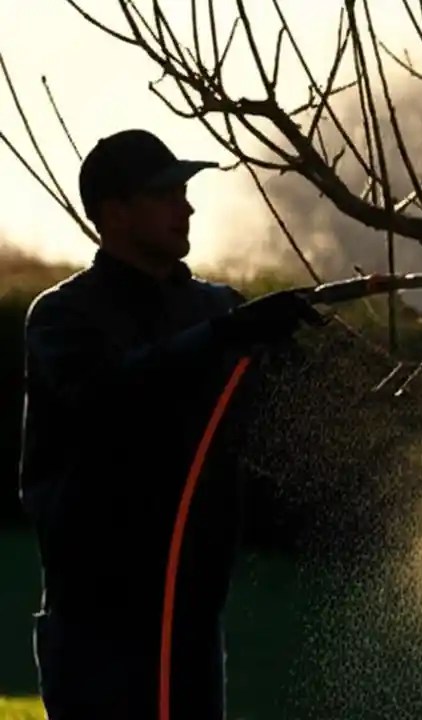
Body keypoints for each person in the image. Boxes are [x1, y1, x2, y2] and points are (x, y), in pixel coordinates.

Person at [18, 128, 324, 719]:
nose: (186, 207)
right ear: (114, 213)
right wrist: (224, 336)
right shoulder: (61, 317)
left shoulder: (217, 307)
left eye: (184, 192)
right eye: (166, 194)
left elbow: (274, 415)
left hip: (193, 624)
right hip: (96, 632)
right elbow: (109, 392)